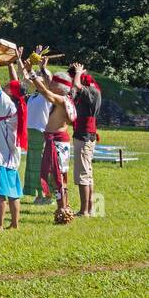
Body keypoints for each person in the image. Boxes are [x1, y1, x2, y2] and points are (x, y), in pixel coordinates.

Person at [27, 58, 76, 224]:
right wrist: (42, 68)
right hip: (58, 140)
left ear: (58, 87)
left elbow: (46, 92)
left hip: (57, 141)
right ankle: (64, 205)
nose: (50, 84)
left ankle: (63, 208)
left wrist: (33, 75)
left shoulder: (60, 100)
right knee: (60, 175)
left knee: (58, 177)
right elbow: (49, 85)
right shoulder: (65, 97)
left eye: (53, 83)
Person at [0, 62, 24, 230]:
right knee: (13, 192)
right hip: (12, 155)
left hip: (0, 153)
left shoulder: (6, 103)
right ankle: (15, 224)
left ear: (11, 92)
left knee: (0, 193)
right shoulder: (19, 105)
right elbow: (17, 84)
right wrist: (11, 63)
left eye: (9, 87)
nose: (6, 87)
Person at [68, 65, 101, 217]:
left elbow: (76, 85)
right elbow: (72, 90)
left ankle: (84, 211)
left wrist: (79, 73)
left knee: (82, 175)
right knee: (87, 174)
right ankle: (91, 209)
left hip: (84, 136)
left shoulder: (91, 91)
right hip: (86, 134)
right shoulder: (89, 92)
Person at [23, 74, 53, 203]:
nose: (34, 82)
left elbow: (48, 81)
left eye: (38, 81)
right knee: (34, 167)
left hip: (41, 133)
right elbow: (24, 77)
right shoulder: (33, 96)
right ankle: (39, 194)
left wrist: (42, 68)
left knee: (43, 167)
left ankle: (49, 195)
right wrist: (18, 60)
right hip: (31, 133)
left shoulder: (46, 95)